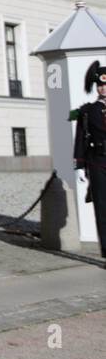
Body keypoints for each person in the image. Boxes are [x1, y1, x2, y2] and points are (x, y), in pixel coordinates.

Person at [73, 60, 106, 258]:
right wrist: (79, 165)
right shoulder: (87, 111)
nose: (103, 89)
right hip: (97, 162)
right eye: (100, 85)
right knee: (102, 209)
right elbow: (80, 138)